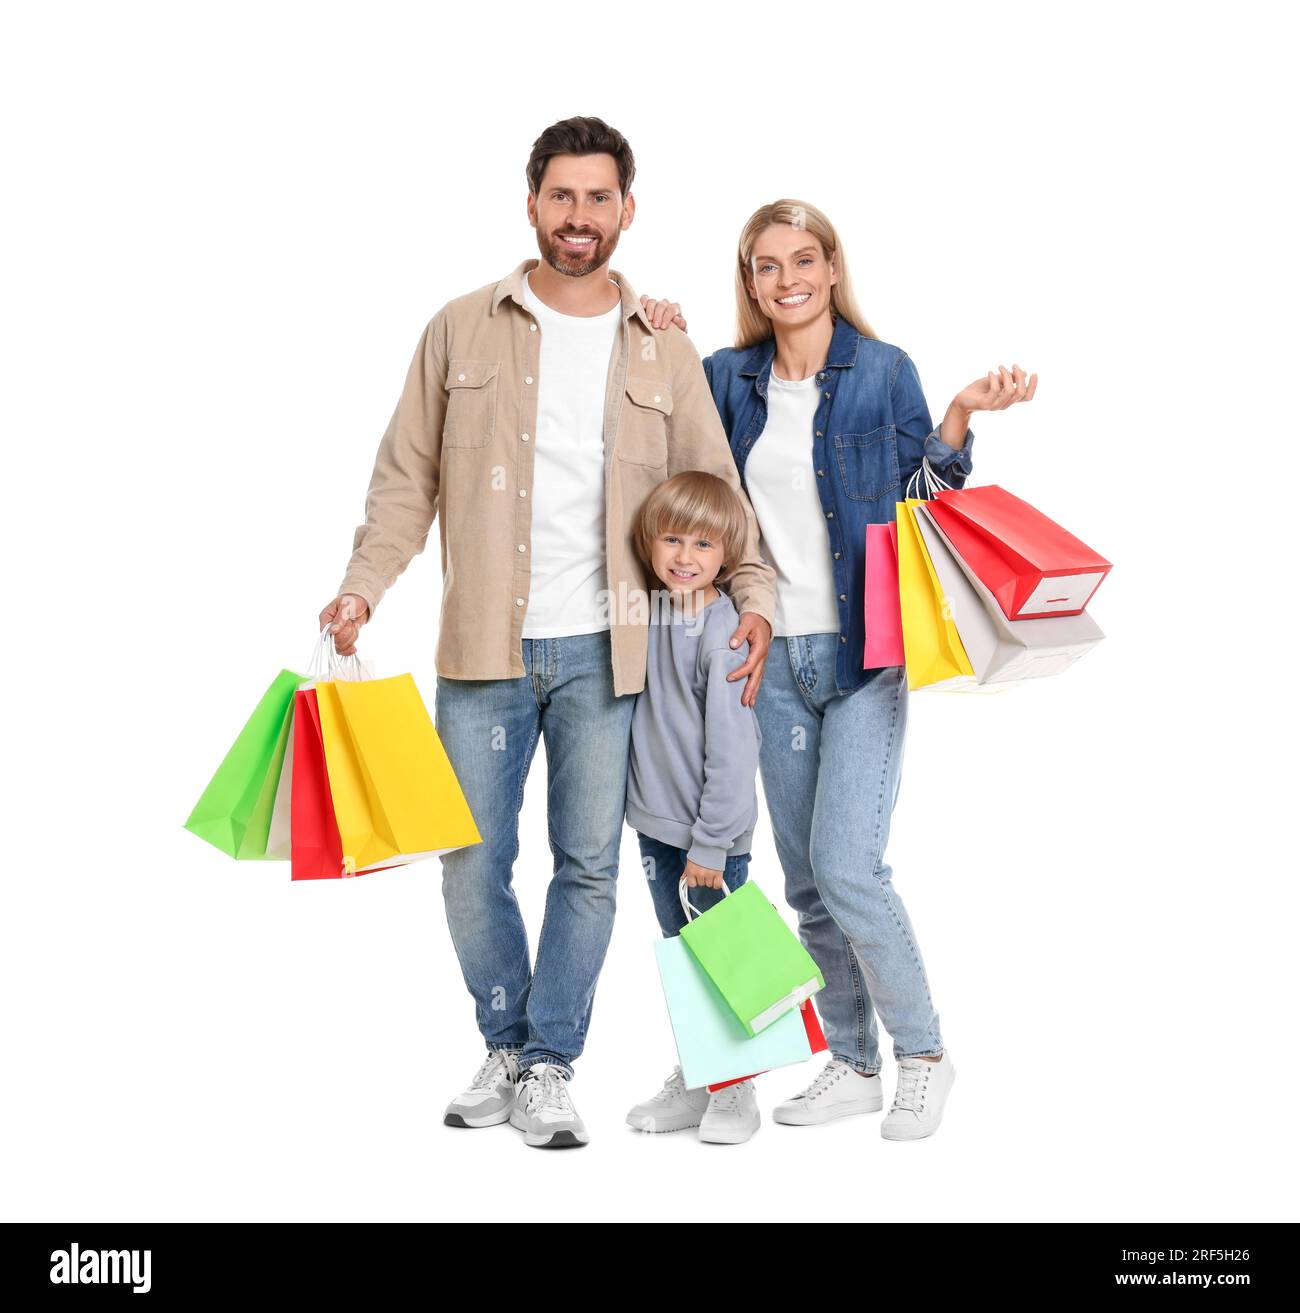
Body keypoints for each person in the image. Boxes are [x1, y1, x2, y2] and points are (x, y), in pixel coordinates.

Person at [317, 118, 776, 1149]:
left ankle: (551, 1063)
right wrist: (360, 588)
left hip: (611, 653)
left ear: (626, 209)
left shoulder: (662, 341)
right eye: (562, 197)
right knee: (468, 860)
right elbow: (405, 482)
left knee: (590, 864)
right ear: (531, 202)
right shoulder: (459, 328)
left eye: (599, 198)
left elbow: (719, 492)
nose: (579, 218)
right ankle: (506, 1040)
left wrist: (751, 595)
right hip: (482, 645)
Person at [637, 199, 1037, 1140]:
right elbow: (692, 476)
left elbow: (917, 503)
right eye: (765, 265)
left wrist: (960, 418)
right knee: (807, 879)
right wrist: (661, 338)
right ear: (750, 282)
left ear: (830, 267)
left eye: (803, 259)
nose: (787, 279)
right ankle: (851, 1062)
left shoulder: (883, 370)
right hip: (766, 658)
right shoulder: (727, 378)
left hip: (864, 655)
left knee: (853, 868)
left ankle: (925, 1054)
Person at [622, 472, 763, 1145]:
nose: (684, 555)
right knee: (686, 959)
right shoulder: (645, 613)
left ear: (726, 557)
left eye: (703, 545)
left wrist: (711, 845)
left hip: (712, 840)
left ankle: (737, 1088)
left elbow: (734, 753)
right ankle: (702, 1074)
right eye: (672, 538)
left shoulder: (722, 631)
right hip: (658, 830)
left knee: (725, 958)